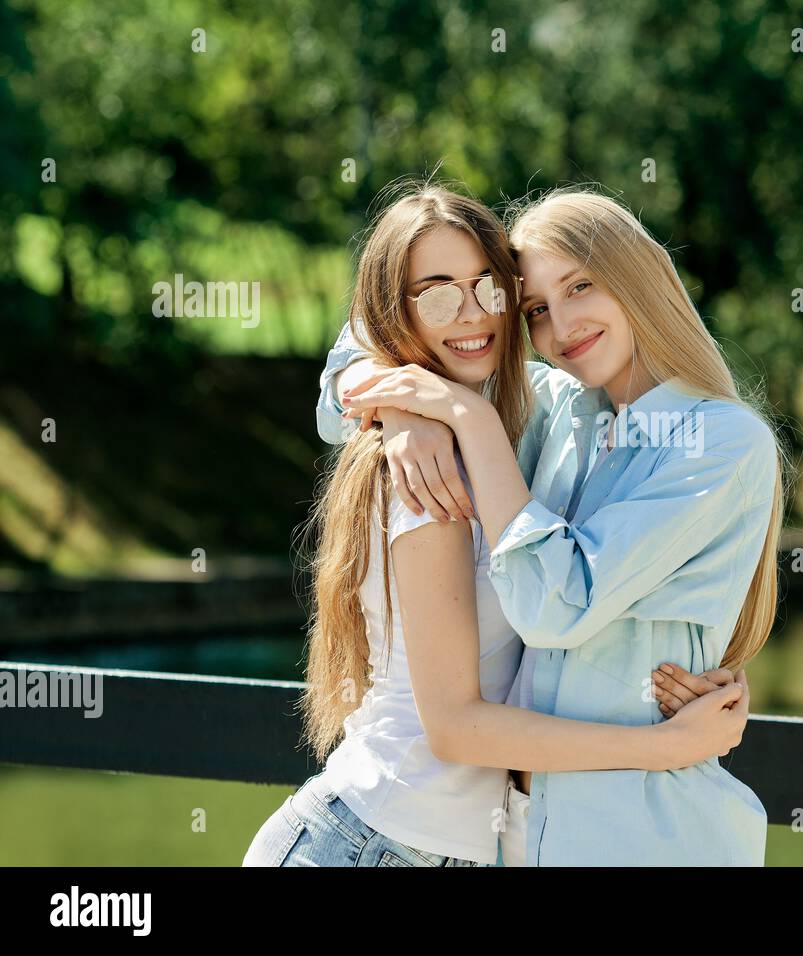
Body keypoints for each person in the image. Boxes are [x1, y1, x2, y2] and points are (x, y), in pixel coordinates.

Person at [243, 182, 749, 868]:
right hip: (369, 843)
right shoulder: (429, 470)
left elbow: (601, 593)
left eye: (492, 287)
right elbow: (456, 728)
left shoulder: (532, 423)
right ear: (400, 315)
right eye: (440, 293)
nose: (472, 313)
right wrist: (661, 749)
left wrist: (704, 673)